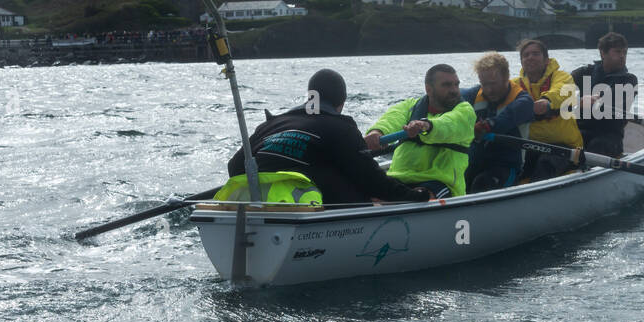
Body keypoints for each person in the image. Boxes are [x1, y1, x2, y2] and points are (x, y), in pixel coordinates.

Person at [227, 69, 428, 205]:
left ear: (309, 96)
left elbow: (235, 166)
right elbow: (371, 179)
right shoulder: (340, 127)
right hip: (302, 211)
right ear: (341, 102)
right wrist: (414, 196)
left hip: (254, 206)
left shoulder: (272, 124)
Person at [363, 64, 476, 198]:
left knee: (419, 197)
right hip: (400, 177)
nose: (454, 90)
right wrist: (377, 132)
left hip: (440, 182)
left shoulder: (465, 111)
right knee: (366, 194)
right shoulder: (409, 106)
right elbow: (392, 119)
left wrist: (427, 126)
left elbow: (448, 125)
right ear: (429, 89)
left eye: (456, 84)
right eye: (446, 85)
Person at [462, 51, 534, 193]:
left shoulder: (524, 101)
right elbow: (452, 99)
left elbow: (502, 122)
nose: (488, 90)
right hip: (475, 163)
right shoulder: (472, 94)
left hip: (507, 166)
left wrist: (484, 127)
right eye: (484, 84)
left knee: (481, 184)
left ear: (506, 77)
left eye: (493, 84)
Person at [513, 38, 582, 183]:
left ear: (546, 60)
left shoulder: (562, 76)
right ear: (522, 62)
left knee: (545, 165)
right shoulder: (514, 85)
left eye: (535, 54)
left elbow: (562, 90)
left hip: (564, 147)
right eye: (526, 55)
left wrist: (547, 101)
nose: (530, 57)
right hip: (529, 145)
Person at [568, 32, 638, 157]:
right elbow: (560, 94)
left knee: (597, 145)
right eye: (617, 52)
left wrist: (583, 104)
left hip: (609, 136)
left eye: (624, 52)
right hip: (578, 132)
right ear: (602, 53)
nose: (622, 56)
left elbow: (608, 109)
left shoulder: (629, 80)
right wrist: (579, 103)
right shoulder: (582, 73)